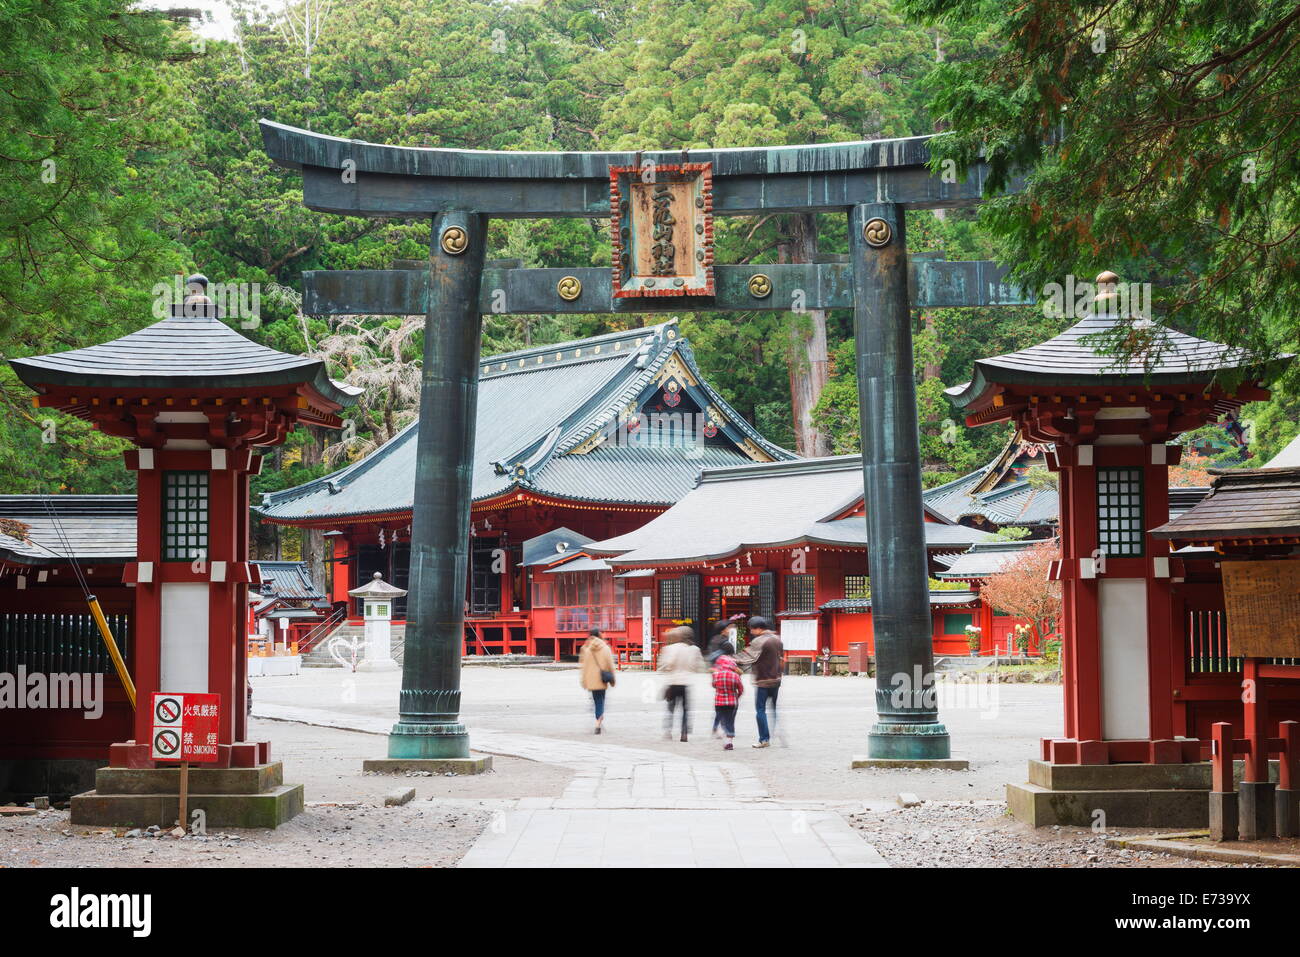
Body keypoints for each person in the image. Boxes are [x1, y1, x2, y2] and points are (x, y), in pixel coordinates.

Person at [734, 616, 783, 748]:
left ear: (758, 628)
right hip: (777, 678)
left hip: (763, 679)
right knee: (773, 708)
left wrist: (730, 660)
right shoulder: (777, 639)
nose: (751, 632)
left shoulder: (759, 641)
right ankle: (780, 735)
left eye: (751, 629)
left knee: (760, 710)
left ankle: (764, 739)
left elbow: (747, 657)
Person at [657, 625, 703, 742]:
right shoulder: (694, 649)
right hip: (686, 682)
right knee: (686, 709)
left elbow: (664, 665)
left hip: (672, 682)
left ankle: (668, 731)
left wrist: (667, 669)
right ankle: (684, 733)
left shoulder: (670, 648)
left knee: (670, 708)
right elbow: (697, 667)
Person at [578, 628, 615, 734]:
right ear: (600, 635)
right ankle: (598, 723)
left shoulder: (586, 648)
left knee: (596, 700)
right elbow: (610, 665)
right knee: (601, 700)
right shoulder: (605, 648)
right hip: (602, 679)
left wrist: (583, 681)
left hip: (591, 680)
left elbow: (583, 667)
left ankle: (598, 719)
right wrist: (613, 680)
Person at [711, 647, 744, 750]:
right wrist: (736, 697)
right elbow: (741, 689)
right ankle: (729, 742)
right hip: (732, 702)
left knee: (722, 719)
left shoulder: (717, 675)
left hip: (719, 703)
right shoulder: (735, 676)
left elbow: (714, 685)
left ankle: (720, 732)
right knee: (730, 721)